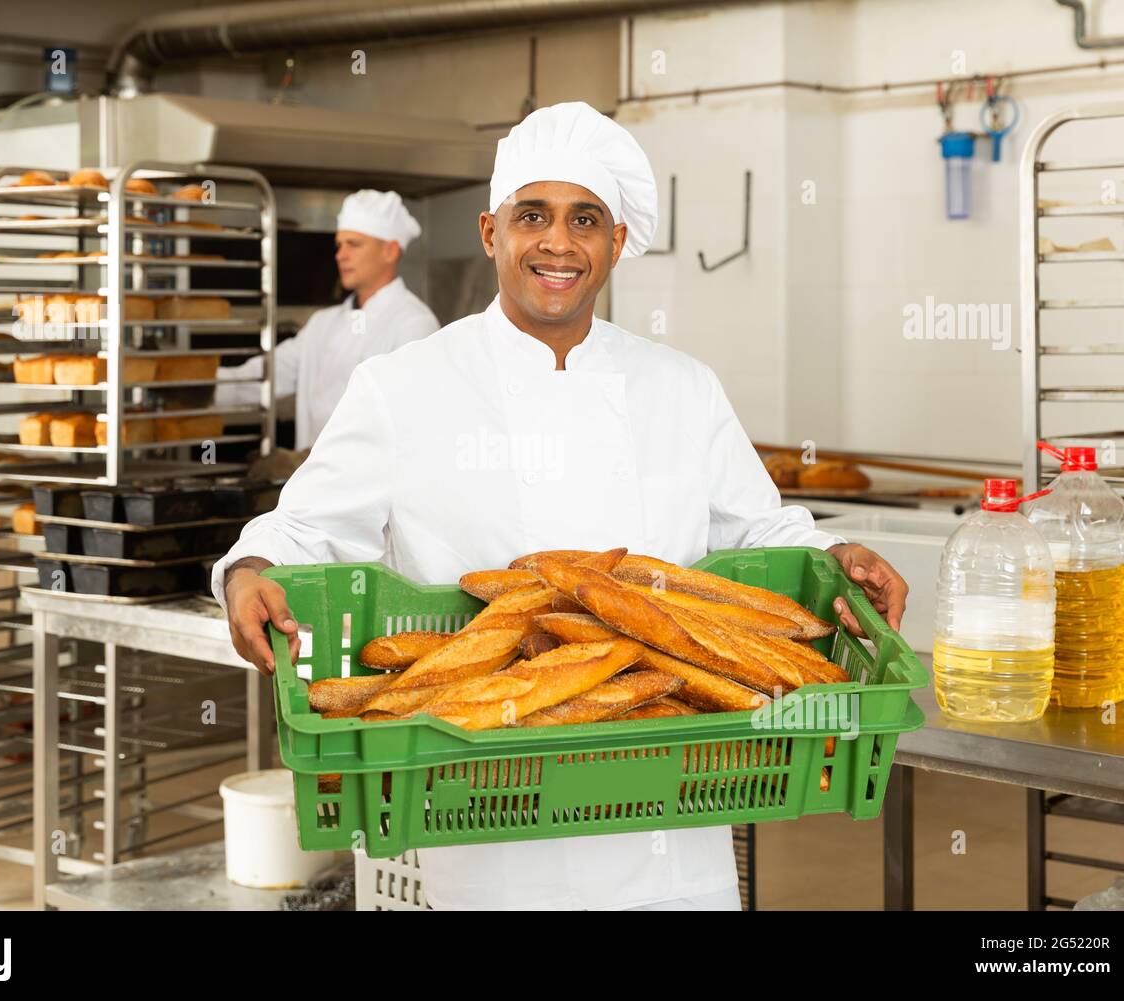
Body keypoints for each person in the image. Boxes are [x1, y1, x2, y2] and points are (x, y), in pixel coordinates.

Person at [213, 102, 908, 911]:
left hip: (675, 822)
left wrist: (837, 559)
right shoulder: (407, 387)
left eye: (585, 219)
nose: (557, 242)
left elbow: (766, 535)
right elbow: (302, 528)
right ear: (489, 231)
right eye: (531, 215)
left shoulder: (680, 387)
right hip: (483, 818)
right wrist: (250, 569)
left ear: (615, 242)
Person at [215, 189, 439, 450]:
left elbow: (410, 423)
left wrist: (304, 462)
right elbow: (266, 377)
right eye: (339, 244)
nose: (340, 255)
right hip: (317, 483)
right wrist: (195, 388)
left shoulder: (414, 324)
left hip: (373, 488)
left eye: (353, 244)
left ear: (390, 251)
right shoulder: (323, 323)